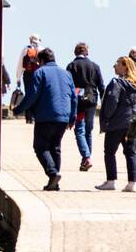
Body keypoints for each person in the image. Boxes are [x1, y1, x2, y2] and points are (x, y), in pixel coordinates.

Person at [13, 48, 77, 191]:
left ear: (40, 61)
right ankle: (54, 182)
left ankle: (53, 174)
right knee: (55, 147)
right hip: (63, 118)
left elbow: (32, 95)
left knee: (40, 147)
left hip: (45, 116)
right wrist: (72, 117)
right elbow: (74, 97)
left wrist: (18, 109)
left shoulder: (40, 72)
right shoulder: (67, 74)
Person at [95, 55, 136, 191]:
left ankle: (111, 181)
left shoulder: (117, 82)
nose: (114, 66)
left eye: (117, 63)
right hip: (132, 124)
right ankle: (132, 183)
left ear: (125, 67)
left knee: (109, 151)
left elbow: (112, 102)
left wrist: (106, 118)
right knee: (130, 152)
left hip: (117, 123)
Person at [65, 43, 104, 171]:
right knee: (88, 131)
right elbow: (101, 86)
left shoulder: (71, 66)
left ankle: (86, 158)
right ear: (87, 52)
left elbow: (67, 86)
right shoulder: (95, 66)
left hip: (78, 102)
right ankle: (86, 160)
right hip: (92, 100)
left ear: (75, 52)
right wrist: (103, 103)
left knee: (79, 131)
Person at [15, 34, 42, 124]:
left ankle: (29, 118)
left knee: (28, 95)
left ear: (30, 40)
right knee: (38, 94)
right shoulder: (42, 49)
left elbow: (20, 64)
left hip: (27, 75)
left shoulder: (26, 49)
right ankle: (36, 116)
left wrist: (18, 78)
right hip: (39, 75)